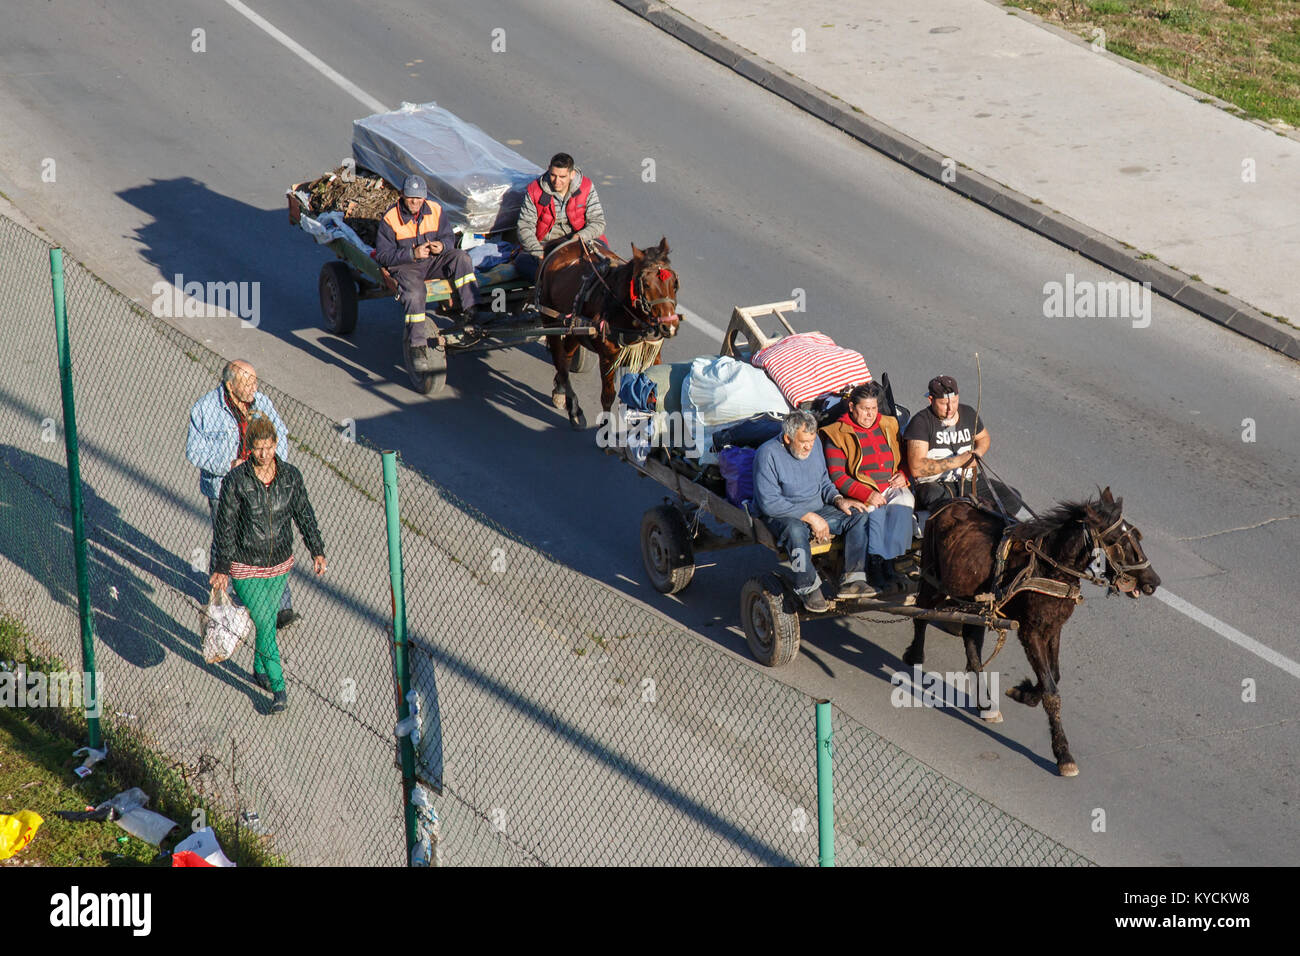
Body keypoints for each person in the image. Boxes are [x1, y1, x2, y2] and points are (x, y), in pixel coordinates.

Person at [209, 413, 325, 714]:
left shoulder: (290, 477)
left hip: (279, 565)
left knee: (266, 622)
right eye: (258, 448)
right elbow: (225, 526)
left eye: (269, 447)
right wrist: (221, 567)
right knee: (264, 622)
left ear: (276, 444)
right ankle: (278, 687)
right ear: (249, 448)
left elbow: (305, 514)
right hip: (245, 566)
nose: (264, 454)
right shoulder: (236, 481)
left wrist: (317, 550)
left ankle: (258, 668)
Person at [186, 360, 298, 629]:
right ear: (230, 385)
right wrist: (230, 463)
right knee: (226, 542)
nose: (253, 387)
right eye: (247, 383)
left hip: (259, 487)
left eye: (255, 381)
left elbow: (280, 436)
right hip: (224, 489)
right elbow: (194, 451)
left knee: (267, 540)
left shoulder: (262, 404)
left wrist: (270, 464)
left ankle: (280, 605)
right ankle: (222, 600)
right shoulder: (205, 409)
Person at [752, 410, 871, 612]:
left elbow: (824, 481)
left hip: (818, 509)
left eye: (812, 440)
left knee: (859, 516)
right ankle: (807, 586)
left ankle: (853, 579)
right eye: (803, 441)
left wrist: (839, 500)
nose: (809, 446)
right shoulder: (767, 454)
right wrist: (810, 518)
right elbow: (769, 503)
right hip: (783, 514)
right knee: (796, 532)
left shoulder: (815, 446)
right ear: (788, 438)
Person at [374, 175, 481, 373]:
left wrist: (442, 246)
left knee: (462, 258)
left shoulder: (436, 210)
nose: (415, 202)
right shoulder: (390, 218)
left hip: (432, 261)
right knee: (415, 295)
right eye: (410, 197)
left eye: (419, 198)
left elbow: (449, 237)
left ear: (425, 198)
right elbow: (382, 255)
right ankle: (417, 346)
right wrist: (411, 254)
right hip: (406, 267)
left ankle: (472, 311)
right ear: (402, 196)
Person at [820, 382, 913, 595]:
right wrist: (867, 494)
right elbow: (837, 475)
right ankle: (876, 564)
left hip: (890, 485)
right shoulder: (836, 433)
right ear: (852, 407)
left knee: (905, 504)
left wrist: (904, 474)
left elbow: (906, 457)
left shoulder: (890, 424)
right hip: (861, 491)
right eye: (864, 409)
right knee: (875, 514)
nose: (870, 414)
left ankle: (894, 562)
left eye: (873, 409)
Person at [902, 374, 1024, 517]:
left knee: (1012, 498)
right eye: (943, 404)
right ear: (931, 400)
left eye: (954, 401)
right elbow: (917, 468)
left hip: (968, 480)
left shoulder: (968, 413)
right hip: (937, 485)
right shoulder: (921, 422)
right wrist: (958, 461)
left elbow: (983, 437)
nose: (950, 408)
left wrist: (977, 453)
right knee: (951, 509)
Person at [514, 152, 608, 281]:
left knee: (603, 264)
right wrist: (538, 253)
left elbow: (598, 222)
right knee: (522, 262)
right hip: (547, 244)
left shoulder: (586, 187)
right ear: (548, 170)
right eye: (553, 175)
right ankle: (549, 286)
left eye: (562, 177)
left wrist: (579, 237)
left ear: (572, 174)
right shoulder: (534, 190)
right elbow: (524, 227)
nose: (557, 181)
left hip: (580, 240)